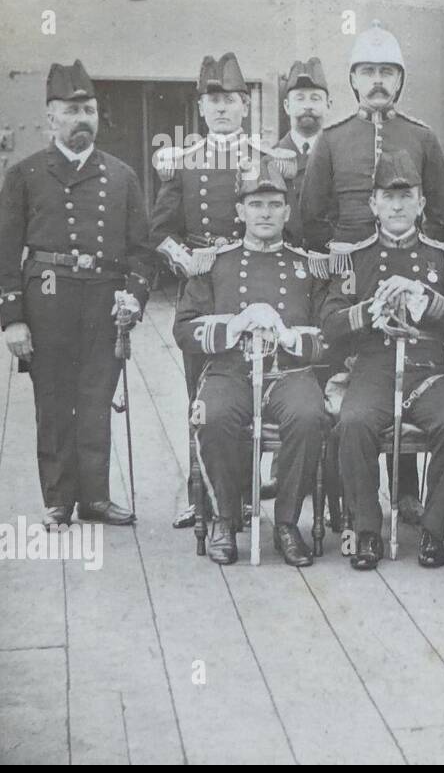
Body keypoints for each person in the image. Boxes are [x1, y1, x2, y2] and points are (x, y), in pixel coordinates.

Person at [0, 60, 152, 528]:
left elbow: (141, 250)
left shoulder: (122, 176)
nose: (81, 118)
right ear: (50, 118)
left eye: (88, 109)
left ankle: (96, 498)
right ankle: (58, 500)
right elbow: (6, 250)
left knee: (95, 399)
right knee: (52, 401)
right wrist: (13, 319)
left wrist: (135, 299)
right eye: (70, 110)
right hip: (47, 302)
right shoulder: (25, 174)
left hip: (104, 304)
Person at [320, 150, 444, 571]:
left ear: (422, 204)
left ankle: (432, 527)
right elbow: (330, 325)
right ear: (373, 204)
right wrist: (370, 311)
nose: (398, 206)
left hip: (430, 367)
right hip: (374, 366)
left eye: (407, 197)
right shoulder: (354, 258)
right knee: (352, 424)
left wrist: (425, 300)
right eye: (389, 198)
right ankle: (367, 529)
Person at [174, 157, 331, 566]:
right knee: (212, 415)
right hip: (232, 370)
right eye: (256, 205)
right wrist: (236, 324)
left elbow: (328, 335)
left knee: (310, 415)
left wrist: (286, 333)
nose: (265, 213)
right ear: (240, 211)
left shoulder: (308, 266)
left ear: (287, 212)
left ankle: (286, 523)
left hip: (288, 370)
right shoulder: (214, 263)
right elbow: (184, 328)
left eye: (274, 205)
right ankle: (224, 519)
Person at [151, 52, 282, 529]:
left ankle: (245, 496)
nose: (222, 109)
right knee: (200, 395)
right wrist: (181, 257)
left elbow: (286, 224)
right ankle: (200, 495)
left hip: (256, 284)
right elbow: (159, 229)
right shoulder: (184, 163)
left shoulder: (266, 161)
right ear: (201, 109)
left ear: (245, 106)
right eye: (213, 101)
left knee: (256, 388)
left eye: (231, 99)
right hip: (205, 287)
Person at [299, 22, 444, 259]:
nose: (378, 81)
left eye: (386, 72)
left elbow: (441, 215)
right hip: (348, 263)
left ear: (399, 80)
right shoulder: (331, 139)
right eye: (368, 72)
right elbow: (312, 216)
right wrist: (338, 256)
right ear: (353, 79)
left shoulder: (423, 138)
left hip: (410, 263)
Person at [274, 56, 331, 246]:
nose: (307, 105)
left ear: (328, 105)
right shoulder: (270, 158)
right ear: (287, 106)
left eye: (315, 98)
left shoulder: (339, 157)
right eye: (300, 98)